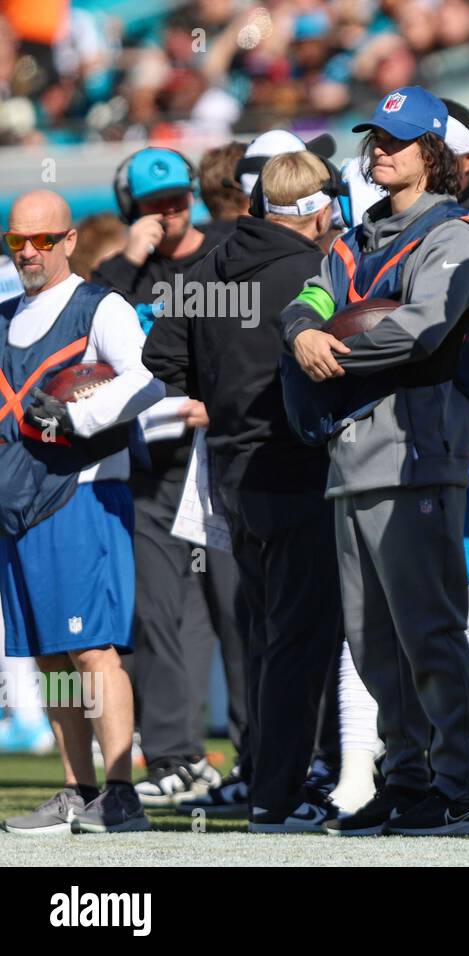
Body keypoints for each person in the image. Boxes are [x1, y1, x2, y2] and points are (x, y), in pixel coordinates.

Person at [279, 85, 469, 837]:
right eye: (375, 139)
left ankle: (454, 786)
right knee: (370, 639)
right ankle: (404, 776)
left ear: (432, 152)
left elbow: (425, 329)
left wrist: (330, 350)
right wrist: (304, 331)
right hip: (350, 455)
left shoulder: (454, 236)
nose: (379, 151)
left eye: (395, 141)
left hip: (415, 453)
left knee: (428, 628)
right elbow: (304, 297)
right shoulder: (350, 240)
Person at [142, 150, 346, 832]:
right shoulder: (314, 267)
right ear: (317, 210)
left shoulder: (208, 268)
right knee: (298, 640)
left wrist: (224, 397)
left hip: (231, 472)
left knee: (266, 638)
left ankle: (268, 780)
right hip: (298, 467)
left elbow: (160, 356)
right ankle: (278, 796)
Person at [0, 189, 164, 834]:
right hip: (17, 503)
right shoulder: (5, 313)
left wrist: (73, 415)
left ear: (69, 241)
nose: (30, 252)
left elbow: (143, 380)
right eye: (18, 242)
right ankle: (77, 787)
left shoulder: (102, 306)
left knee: (93, 650)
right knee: (49, 655)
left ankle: (121, 791)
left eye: (44, 240)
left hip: (82, 492)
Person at [91, 146, 241, 810]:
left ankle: (258, 754)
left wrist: (227, 403)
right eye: (154, 203)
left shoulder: (227, 253)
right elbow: (86, 338)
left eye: (177, 198)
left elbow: (250, 341)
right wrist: (128, 256)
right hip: (150, 463)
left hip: (216, 453)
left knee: (235, 612)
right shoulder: (119, 273)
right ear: (132, 208)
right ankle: (176, 756)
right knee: (157, 614)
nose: (169, 211)